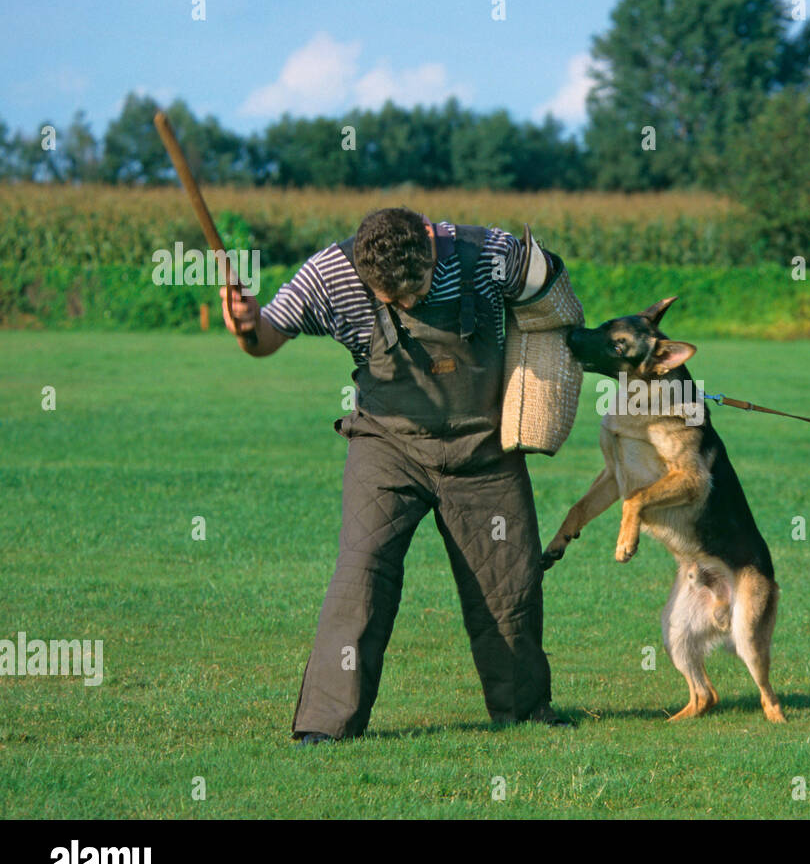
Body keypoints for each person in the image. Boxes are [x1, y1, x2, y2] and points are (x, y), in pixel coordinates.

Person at [222, 207, 571, 742]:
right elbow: (266, 336)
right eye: (393, 298)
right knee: (362, 571)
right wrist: (246, 326)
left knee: (511, 583)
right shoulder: (328, 276)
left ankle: (524, 713)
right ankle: (326, 726)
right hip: (387, 446)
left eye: (417, 289)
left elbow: (557, 300)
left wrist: (553, 373)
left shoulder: (492, 255)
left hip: (484, 448)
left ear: (432, 243)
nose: (408, 304)